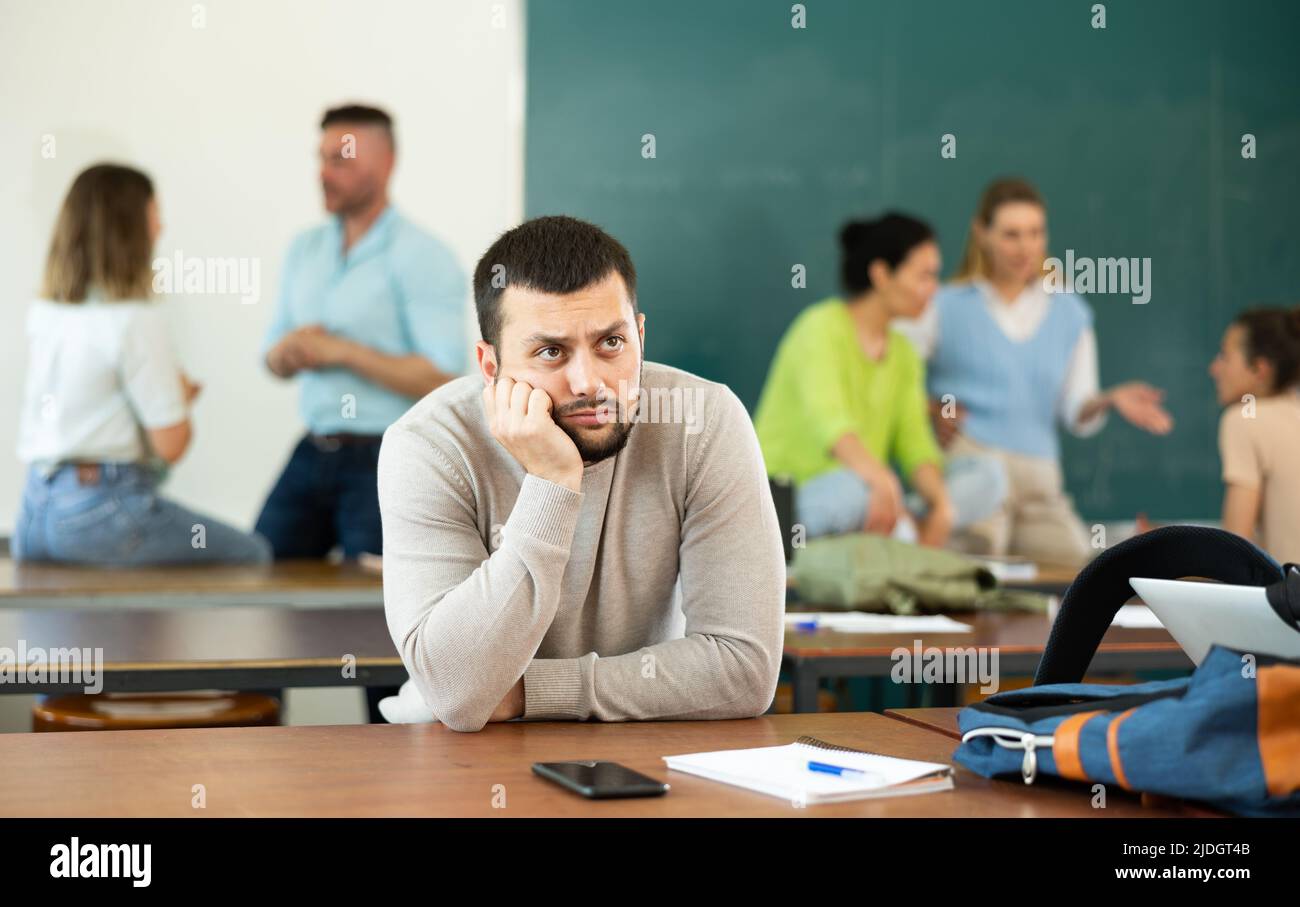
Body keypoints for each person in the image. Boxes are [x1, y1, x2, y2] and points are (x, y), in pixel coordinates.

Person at [377, 215, 785, 732]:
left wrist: (532, 693)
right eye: (551, 351)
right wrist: (552, 481)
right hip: (452, 760)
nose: (589, 382)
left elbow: (743, 669)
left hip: (641, 745)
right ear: (490, 366)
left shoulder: (704, 421)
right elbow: (457, 692)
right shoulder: (430, 444)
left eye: (611, 344)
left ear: (640, 335)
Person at [897, 178, 1173, 566]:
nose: (1025, 247)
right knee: (979, 556)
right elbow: (889, 372)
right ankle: (917, 518)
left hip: (1039, 480)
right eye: (1011, 234)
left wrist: (1107, 400)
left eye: (1035, 233)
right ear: (982, 234)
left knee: (1075, 561)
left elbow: (1075, 411)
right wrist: (930, 407)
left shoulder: (1070, 312)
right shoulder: (942, 305)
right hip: (975, 466)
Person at [13, 164, 270, 565]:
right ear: (129, 230)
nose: (161, 228)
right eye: (154, 215)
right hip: (102, 511)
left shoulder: (47, 312)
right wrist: (179, 397)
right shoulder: (136, 320)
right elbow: (170, 445)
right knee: (252, 555)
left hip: (33, 513)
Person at [255, 104, 466, 561]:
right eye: (322, 158)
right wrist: (287, 354)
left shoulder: (424, 256)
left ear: (387, 163)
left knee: (375, 608)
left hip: (386, 457)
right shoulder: (304, 249)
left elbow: (445, 378)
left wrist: (342, 352)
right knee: (259, 575)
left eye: (342, 160)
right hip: (312, 449)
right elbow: (269, 356)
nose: (324, 174)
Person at [754, 213, 1007, 547]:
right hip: (795, 498)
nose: (934, 289)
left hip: (868, 491)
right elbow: (832, 427)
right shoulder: (819, 328)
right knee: (851, 490)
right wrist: (882, 481)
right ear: (882, 274)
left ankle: (895, 530)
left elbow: (915, 446)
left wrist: (942, 507)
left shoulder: (903, 353)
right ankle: (893, 530)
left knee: (988, 475)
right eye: (924, 276)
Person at [1210, 306, 1300, 564]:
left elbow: (1235, 552)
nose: (1214, 368)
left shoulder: (1243, 420)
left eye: (1225, 356)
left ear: (1259, 369)